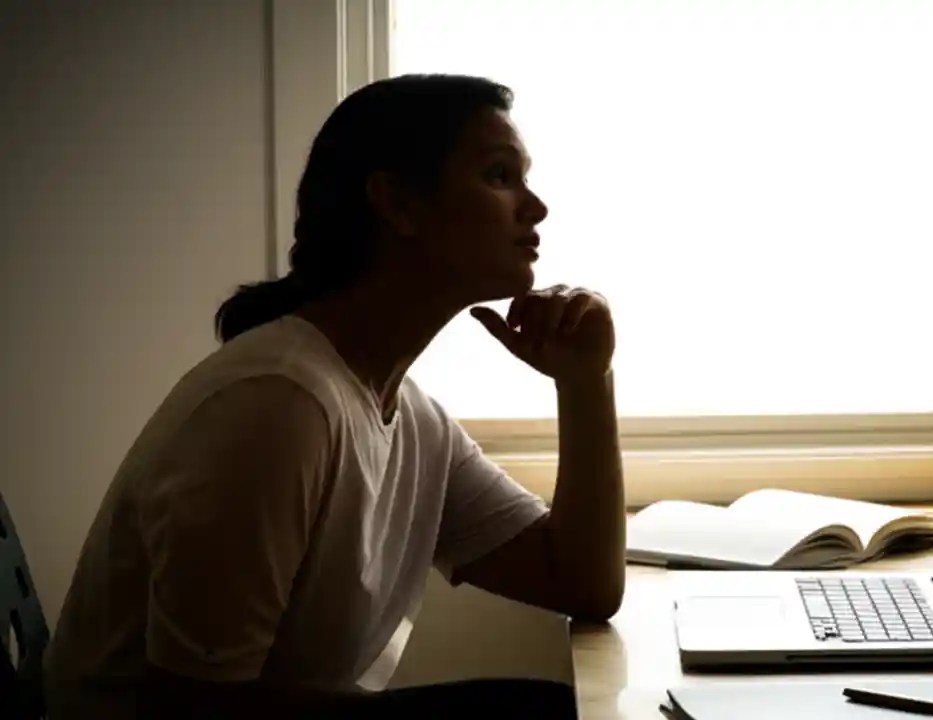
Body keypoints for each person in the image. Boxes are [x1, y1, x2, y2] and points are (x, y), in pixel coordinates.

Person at [44, 73, 624, 719]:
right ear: (398, 204)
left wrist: (586, 382)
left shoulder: (408, 418)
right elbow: (193, 709)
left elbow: (582, 583)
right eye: (498, 175)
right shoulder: (277, 406)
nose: (535, 207)